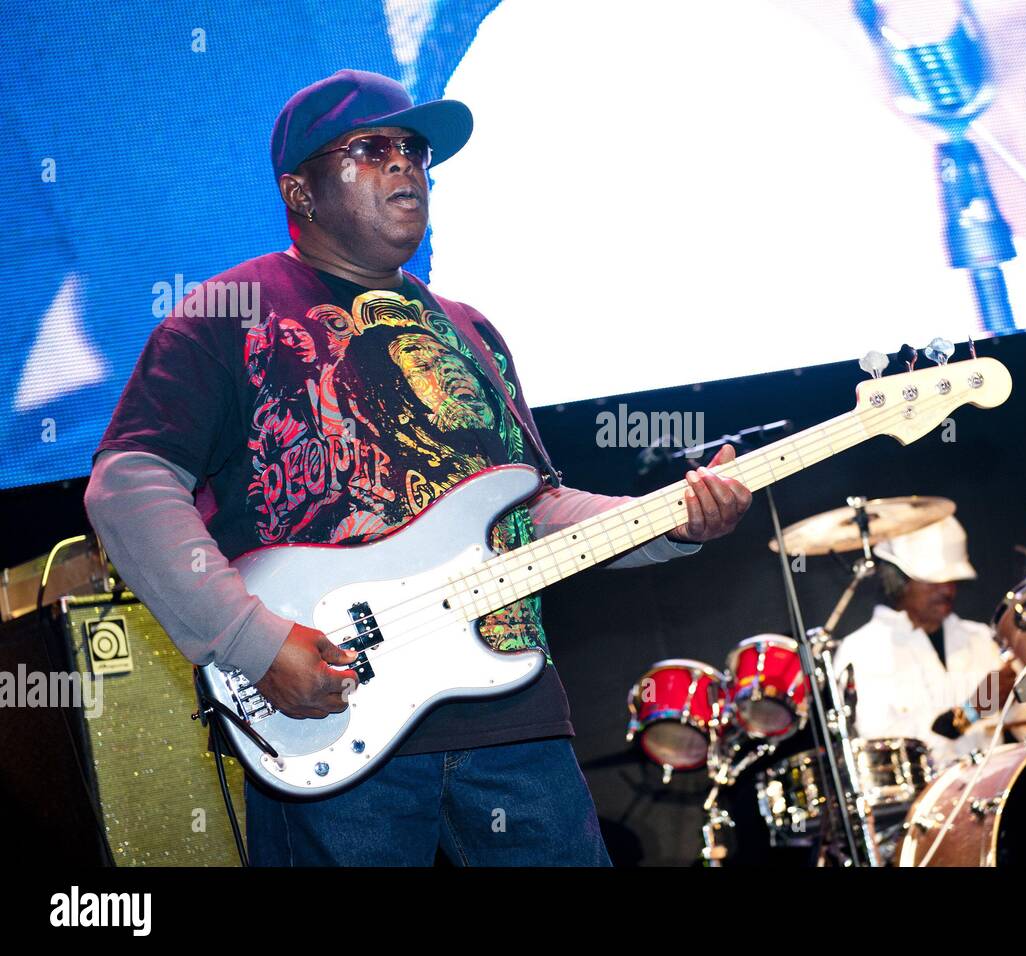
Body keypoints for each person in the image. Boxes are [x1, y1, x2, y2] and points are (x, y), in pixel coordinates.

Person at [83, 69, 752, 866]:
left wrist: (669, 521)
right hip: (331, 723)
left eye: (414, 150)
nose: (405, 165)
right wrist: (253, 643)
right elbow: (128, 484)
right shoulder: (230, 313)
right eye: (371, 148)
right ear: (299, 192)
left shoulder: (470, 332)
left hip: (516, 720)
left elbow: (532, 514)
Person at [832, 515, 1026, 768]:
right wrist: (969, 713)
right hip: (927, 801)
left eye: (951, 580)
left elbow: (1025, 723)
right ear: (897, 578)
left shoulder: (980, 637)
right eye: (934, 581)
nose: (947, 590)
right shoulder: (860, 652)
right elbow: (886, 750)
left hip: (1000, 786)